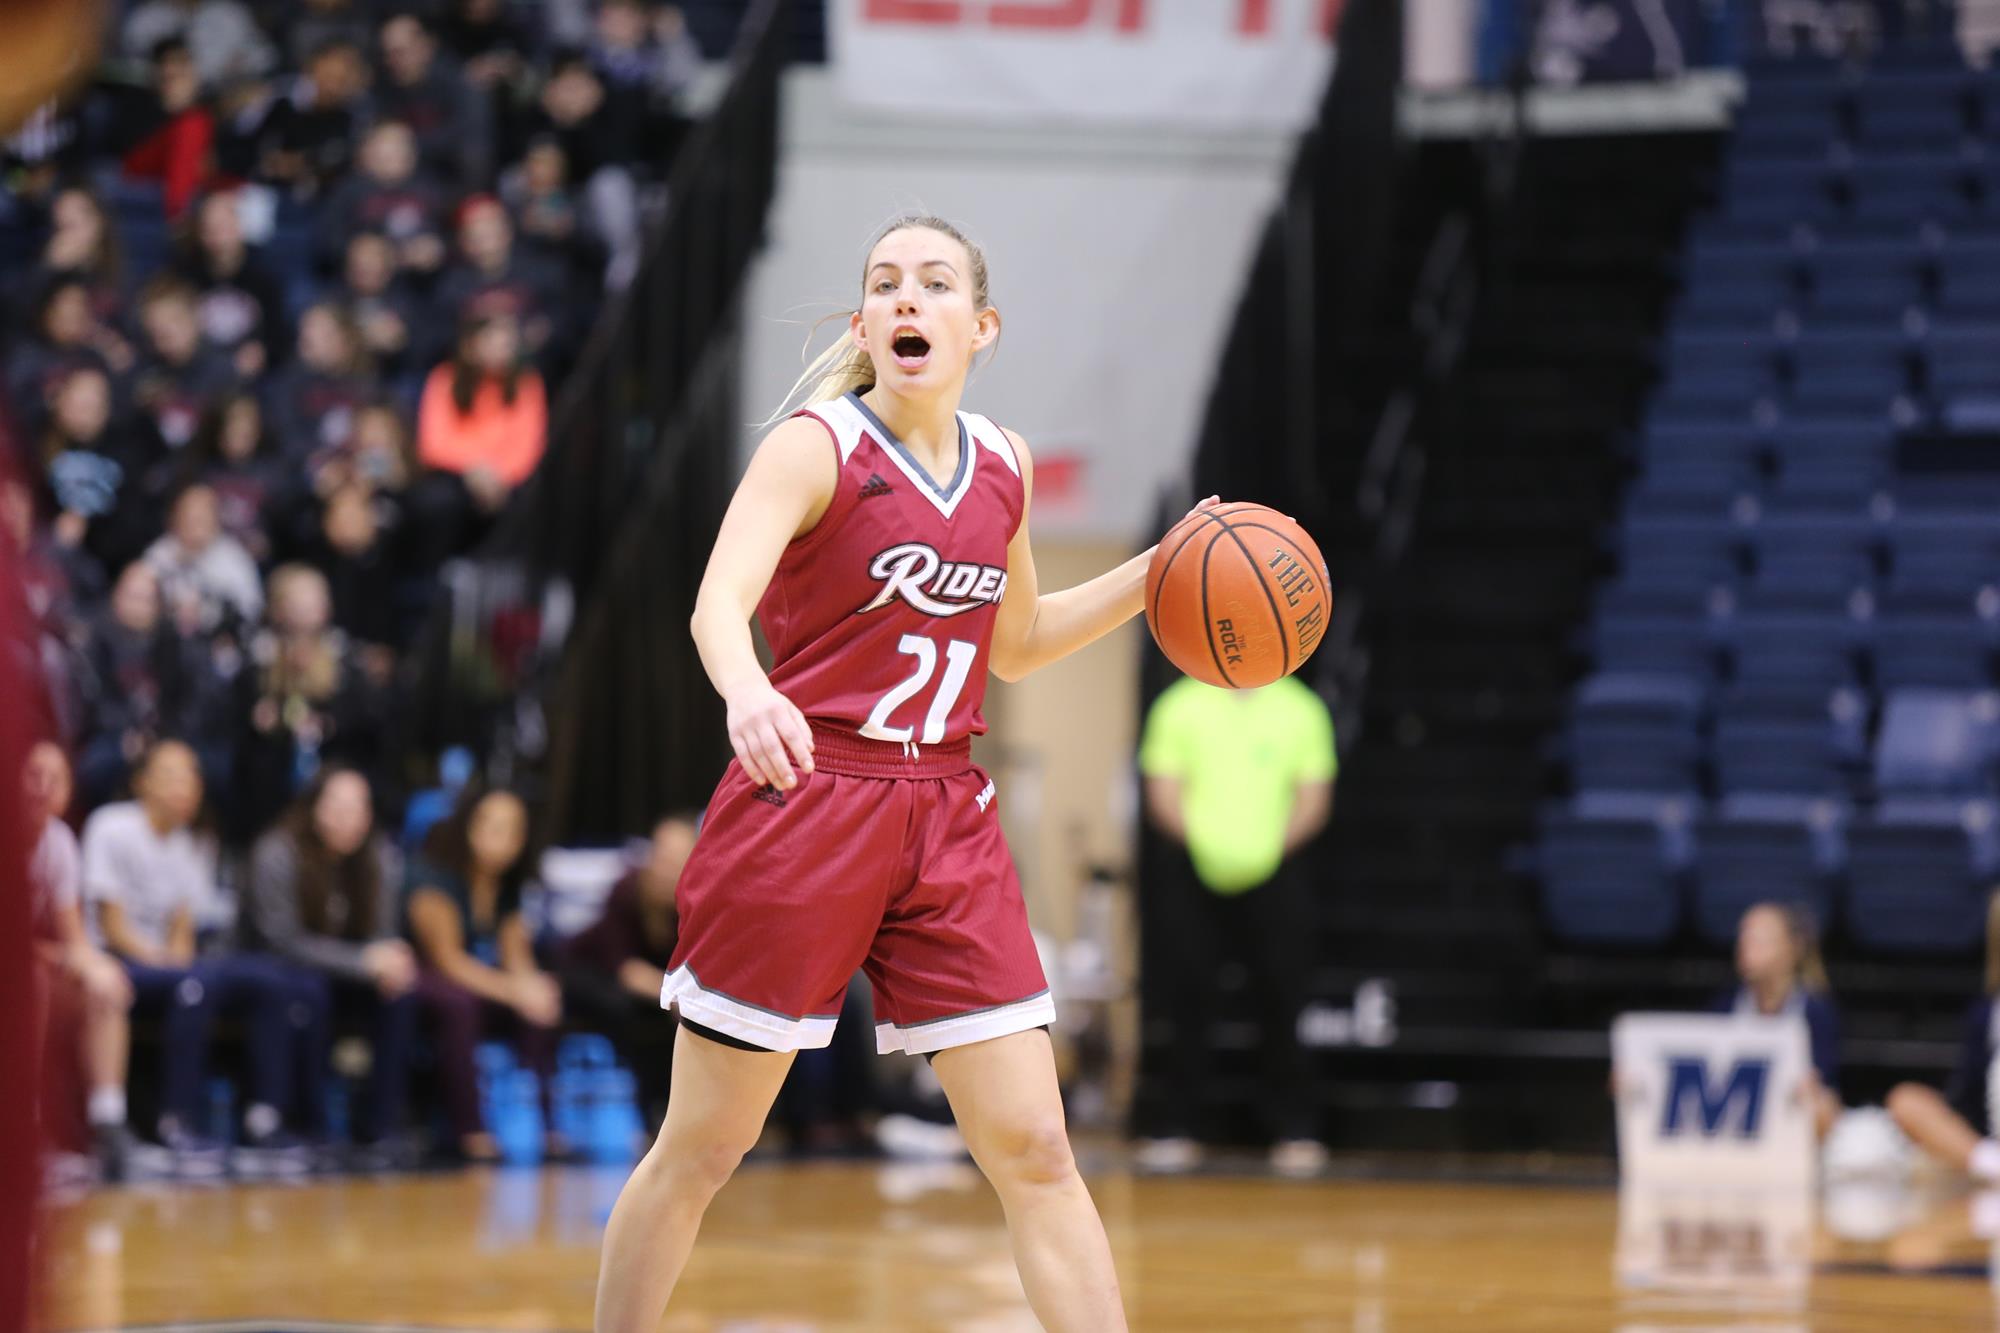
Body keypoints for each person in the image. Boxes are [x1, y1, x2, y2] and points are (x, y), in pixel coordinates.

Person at [593, 215, 1207, 1333]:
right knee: (704, 1147)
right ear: (867, 322)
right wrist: (748, 691)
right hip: (807, 799)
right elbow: (715, 604)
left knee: (1034, 1145)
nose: (905, 300)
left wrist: (1156, 570)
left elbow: (1012, 643)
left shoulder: (1005, 464)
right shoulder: (811, 446)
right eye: (884, 284)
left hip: (943, 814)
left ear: (981, 326)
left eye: (932, 284)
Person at [81, 739, 321, 1164]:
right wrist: (175, 966)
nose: (185, 786)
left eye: (192, 776)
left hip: (168, 966)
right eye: (171, 775)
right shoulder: (112, 826)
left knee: (272, 980)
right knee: (196, 983)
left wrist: (179, 961)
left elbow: (182, 928)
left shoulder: (189, 844)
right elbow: (113, 928)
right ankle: (176, 1124)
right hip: (115, 960)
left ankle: (263, 1120)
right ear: (142, 783)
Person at [1135, 673, 1336, 1178]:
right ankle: (1176, 1128)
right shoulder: (1178, 704)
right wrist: (1210, 846)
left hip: (1277, 872)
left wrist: (1264, 852)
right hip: (1193, 871)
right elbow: (1162, 790)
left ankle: (1294, 1130)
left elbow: (1313, 796)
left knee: (1282, 998)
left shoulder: (1302, 708)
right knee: (1186, 998)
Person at [245, 766, 418, 1158]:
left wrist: (391, 959)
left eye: (358, 808)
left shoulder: (378, 857)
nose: (347, 818)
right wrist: (363, 962)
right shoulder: (277, 850)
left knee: (400, 994)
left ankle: (380, 1124)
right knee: (310, 991)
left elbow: (383, 933)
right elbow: (280, 940)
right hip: (281, 969)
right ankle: (311, 1121)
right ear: (312, 807)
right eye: (336, 807)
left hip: (347, 974)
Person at [405, 786, 562, 1162]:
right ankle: (470, 1131)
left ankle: (544, 1125)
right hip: (421, 978)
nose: (503, 839)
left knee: (541, 1002)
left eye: (513, 830)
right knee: (460, 1006)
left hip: (478, 980)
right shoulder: (432, 875)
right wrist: (514, 991)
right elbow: (448, 961)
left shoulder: (506, 884)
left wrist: (532, 988)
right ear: (467, 826)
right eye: (492, 826)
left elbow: (514, 952)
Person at [26, 741, 138, 1178]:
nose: (44, 787)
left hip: (30, 967)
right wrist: (62, 957)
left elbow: (73, 938)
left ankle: (107, 1122)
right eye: (34, 774)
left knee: (104, 983)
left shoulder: (58, 841)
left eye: (56, 779)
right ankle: (24, 1121)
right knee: (30, 979)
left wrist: (96, 966)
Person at [559, 814, 694, 1131]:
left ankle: (676, 1117)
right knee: (632, 1013)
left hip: (651, 987)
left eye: (677, 858)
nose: (665, 866)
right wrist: (677, 998)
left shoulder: (696, 899)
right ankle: (641, 1117)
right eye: (661, 855)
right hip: (588, 972)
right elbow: (626, 969)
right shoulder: (628, 888)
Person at [1889, 890, 2000, 1179]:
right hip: (1989, 1144)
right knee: (1906, 1100)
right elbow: (1966, 1099)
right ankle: (1990, 1165)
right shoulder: (1986, 1014)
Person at [1719, 901, 1842, 1140]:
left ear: (1792, 948)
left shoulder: (1817, 1011)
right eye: (1743, 937)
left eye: (1760, 939)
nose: (1746, 946)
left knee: (1824, 1107)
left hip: (1790, 1114)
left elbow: (1823, 1084)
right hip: (1735, 1115)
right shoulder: (1725, 1004)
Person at [416, 309, 547, 516]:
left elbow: (528, 446)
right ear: (470, 345)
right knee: (435, 500)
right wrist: (474, 469)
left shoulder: (527, 383)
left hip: (507, 480)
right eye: (493, 343)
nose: (502, 350)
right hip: (458, 475)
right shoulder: (444, 379)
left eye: (507, 344)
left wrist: (499, 474)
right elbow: (434, 444)